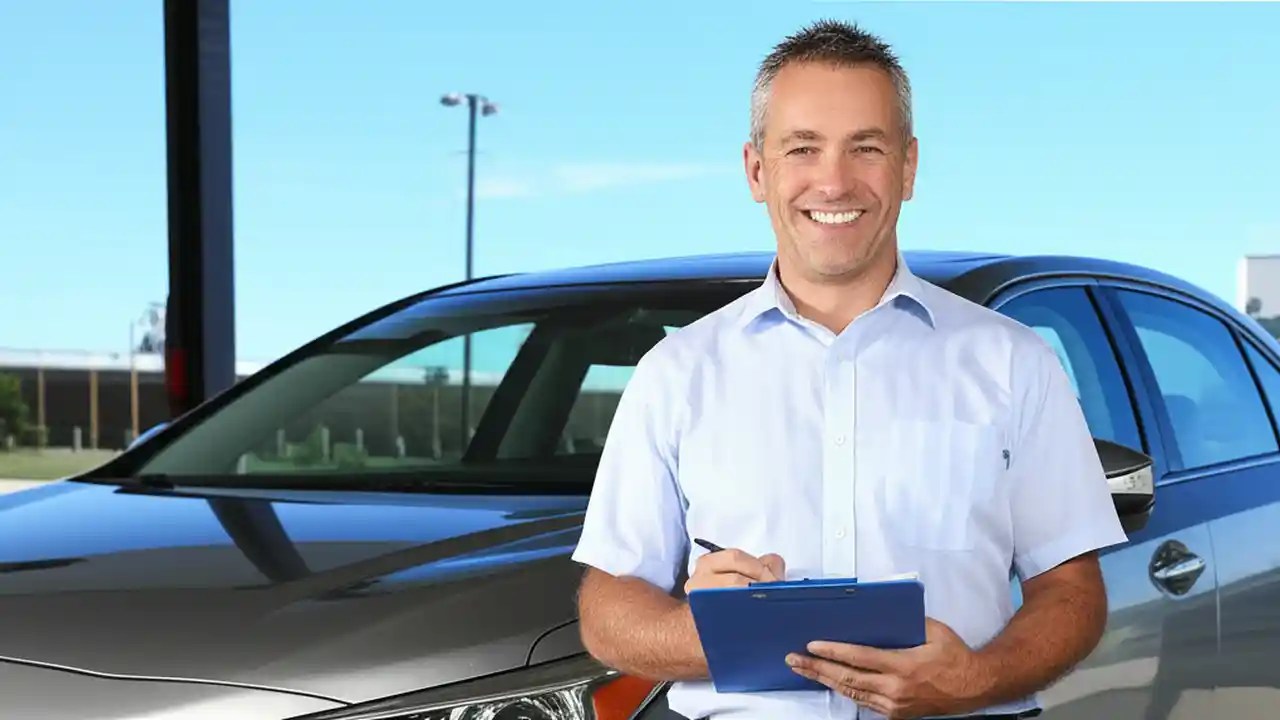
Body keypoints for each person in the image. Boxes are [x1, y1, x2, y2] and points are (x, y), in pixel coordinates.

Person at [571, 19, 1126, 720]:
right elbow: (608, 610)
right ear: (756, 171)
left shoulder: (1014, 362)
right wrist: (705, 629)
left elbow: (1072, 592)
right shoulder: (675, 373)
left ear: (908, 167)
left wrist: (976, 678)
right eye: (802, 148)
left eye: (866, 148)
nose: (833, 182)